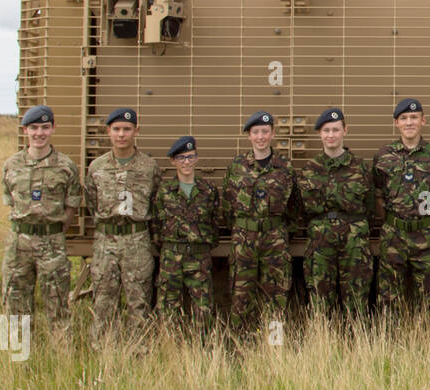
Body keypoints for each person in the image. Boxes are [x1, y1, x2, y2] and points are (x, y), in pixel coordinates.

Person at [83, 107, 162, 344]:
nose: (121, 134)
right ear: (108, 131)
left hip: (137, 241)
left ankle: (139, 351)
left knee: (139, 301)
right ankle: (104, 350)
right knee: (103, 301)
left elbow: (155, 203)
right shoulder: (97, 167)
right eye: (116, 129)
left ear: (136, 131)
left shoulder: (149, 167)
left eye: (127, 129)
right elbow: (92, 202)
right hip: (105, 242)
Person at [0, 105, 82, 332]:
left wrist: (51, 232)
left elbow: (70, 207)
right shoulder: (11, 165)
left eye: (45, 127)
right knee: (16, 302)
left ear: (53, 128)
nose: (39, 133)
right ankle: (21, 350)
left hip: (52, 242)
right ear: (25, 130)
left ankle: (61, 352)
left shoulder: (66, 166)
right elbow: (10, 201)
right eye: (34, 128)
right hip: (19, 243)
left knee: (58, 303)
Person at [223, 111, 300, 332]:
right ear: (249, 135)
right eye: (256, 132)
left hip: (275, 240)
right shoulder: (237, 166)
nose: (260, 137)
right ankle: (240, 344)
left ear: (273, 134)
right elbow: (227, 206)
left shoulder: (285, 167)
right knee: (241, 296)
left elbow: (294, 208)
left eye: (265, 132)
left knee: (276, 297)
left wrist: (279, 231)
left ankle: (274, 345)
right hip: (243, 241)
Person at [373, 98, 430, 313]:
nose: (409, 122)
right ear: (396, 123)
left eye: (414, 117)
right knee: (389, 295)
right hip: (393, 234)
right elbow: (377, 195)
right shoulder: (383, 155)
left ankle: (426, 332)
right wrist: (391, 221)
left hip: (425, 234)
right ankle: (389, 332)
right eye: (404, 118)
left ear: (423, 121)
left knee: (429, 295)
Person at [296, 108, 374, 317]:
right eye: (326, 130)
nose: (331, 135)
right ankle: (322, 336)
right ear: (320, 134)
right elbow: (301, 210)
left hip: (354, 241)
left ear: (345, 131)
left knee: (357, 296)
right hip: (320, 241)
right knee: (320, 297)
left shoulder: (360, 167)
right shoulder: (309, 169)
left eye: (335, 130)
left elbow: (370, 207)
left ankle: (358, 337)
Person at [150, 135, 221, 333]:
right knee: (168, 306)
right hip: (171, 256)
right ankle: (170, 346)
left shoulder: (208, 190)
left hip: (199, 256)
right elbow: (156, 225)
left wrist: (202, 244)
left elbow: (214, 223)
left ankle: (202, 346)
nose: (186, 162)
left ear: (197, 159)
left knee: (203, 307)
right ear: (173, 161)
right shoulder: (164, 192)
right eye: (181, 158)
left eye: (190, 157)